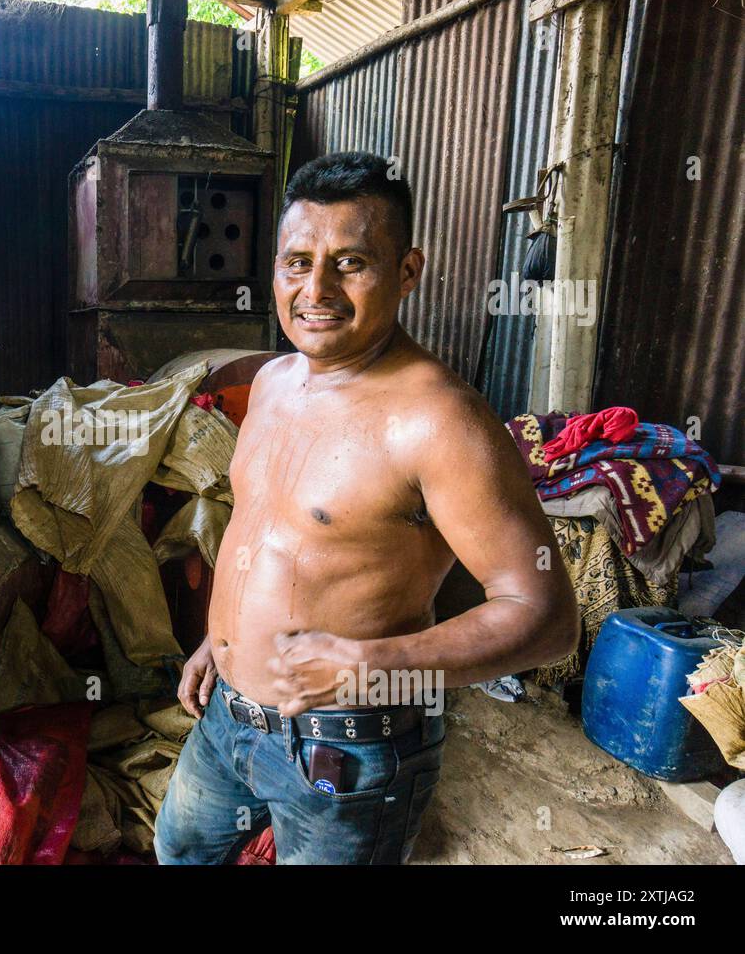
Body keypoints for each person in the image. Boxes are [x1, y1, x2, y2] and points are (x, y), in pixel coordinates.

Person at [154, 152, 579, 865]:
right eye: (297, 262)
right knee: (180, 850)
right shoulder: (273, 382)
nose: (315, 289)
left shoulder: (440, 422)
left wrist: (365, 666)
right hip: (227, 714)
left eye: (350, 263)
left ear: (407, 272)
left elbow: (547, 619)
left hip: (346, 750)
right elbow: (268, 533)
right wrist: (221, 639)